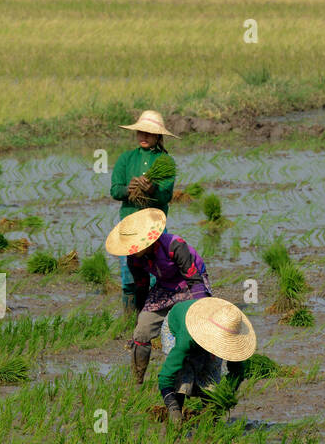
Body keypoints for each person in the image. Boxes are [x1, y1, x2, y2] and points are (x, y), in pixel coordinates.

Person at [105, 208, 211, 386]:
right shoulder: (135, 259)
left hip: (189, 285)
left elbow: (194, 281)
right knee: (141, 331)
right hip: (165, 287)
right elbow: (141, 287)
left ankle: (199, 380)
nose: (130, 250)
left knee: (191, 331)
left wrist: (199, 311)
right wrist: (140, 316)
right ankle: (137, 380)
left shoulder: (174, 246)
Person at [110, 110, 179, 315]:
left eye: (149, 133)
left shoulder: (165, 162)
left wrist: (151, 190)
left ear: (158, 136)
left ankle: (154, 319)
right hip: (129, 224)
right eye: (141, 132)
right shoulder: (126, 159)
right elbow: (115, 190)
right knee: (129, 274)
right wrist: (128, 190)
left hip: (154, 225)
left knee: (157, 274)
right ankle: (131, 319)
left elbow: (166, 195)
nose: (144, 136)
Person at [156, 296, 256, 424]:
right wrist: (172, 407)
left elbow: (237, 371)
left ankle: (209, 420)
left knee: (211, 379)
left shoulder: (231, 330)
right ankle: (176, 418)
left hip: (210, 325)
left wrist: (225, 396)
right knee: (182, 377)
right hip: (177, 326)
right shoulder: (187, 337)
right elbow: (166, 374)